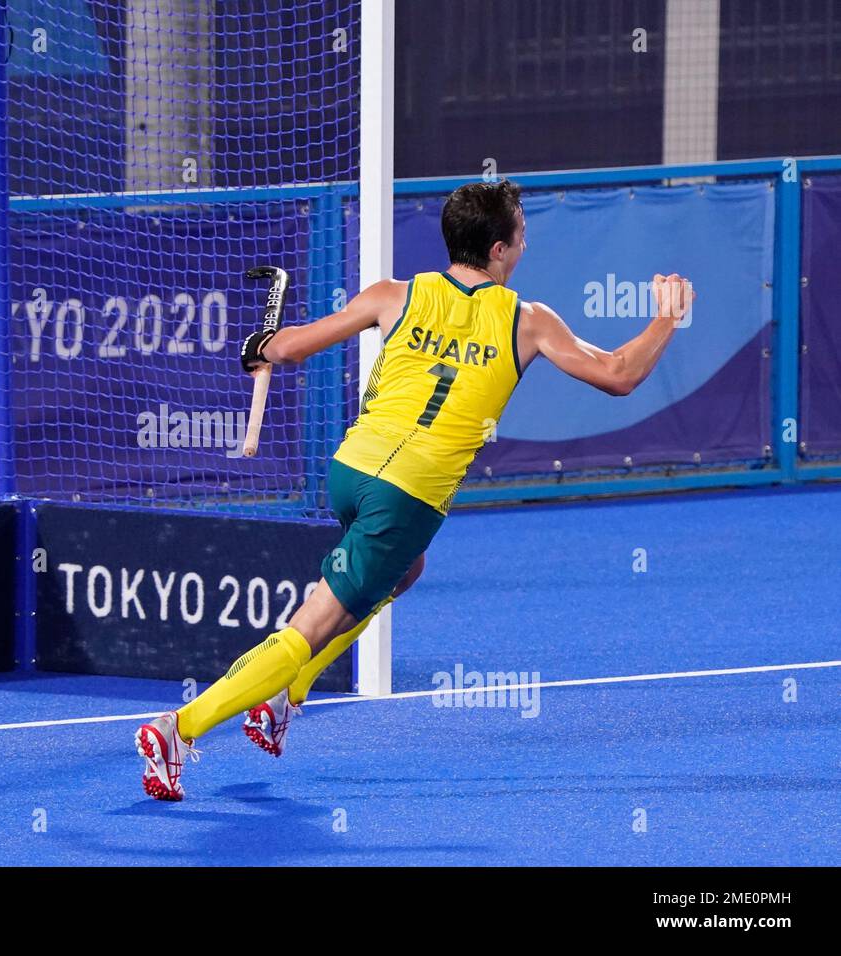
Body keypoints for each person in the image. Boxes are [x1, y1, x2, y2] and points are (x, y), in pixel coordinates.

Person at [136, 178, 694, 800]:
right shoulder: (530, 322)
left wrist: (259, 347)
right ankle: (179, 728)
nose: (525, 245)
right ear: (502, 250)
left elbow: (287, 349)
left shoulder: (393, 295)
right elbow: (619, 374)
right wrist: (667, 319)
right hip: (404, 497)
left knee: (405, 569)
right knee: (306, 630)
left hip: (348, 473)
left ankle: (284, 698)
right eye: (523, 235)